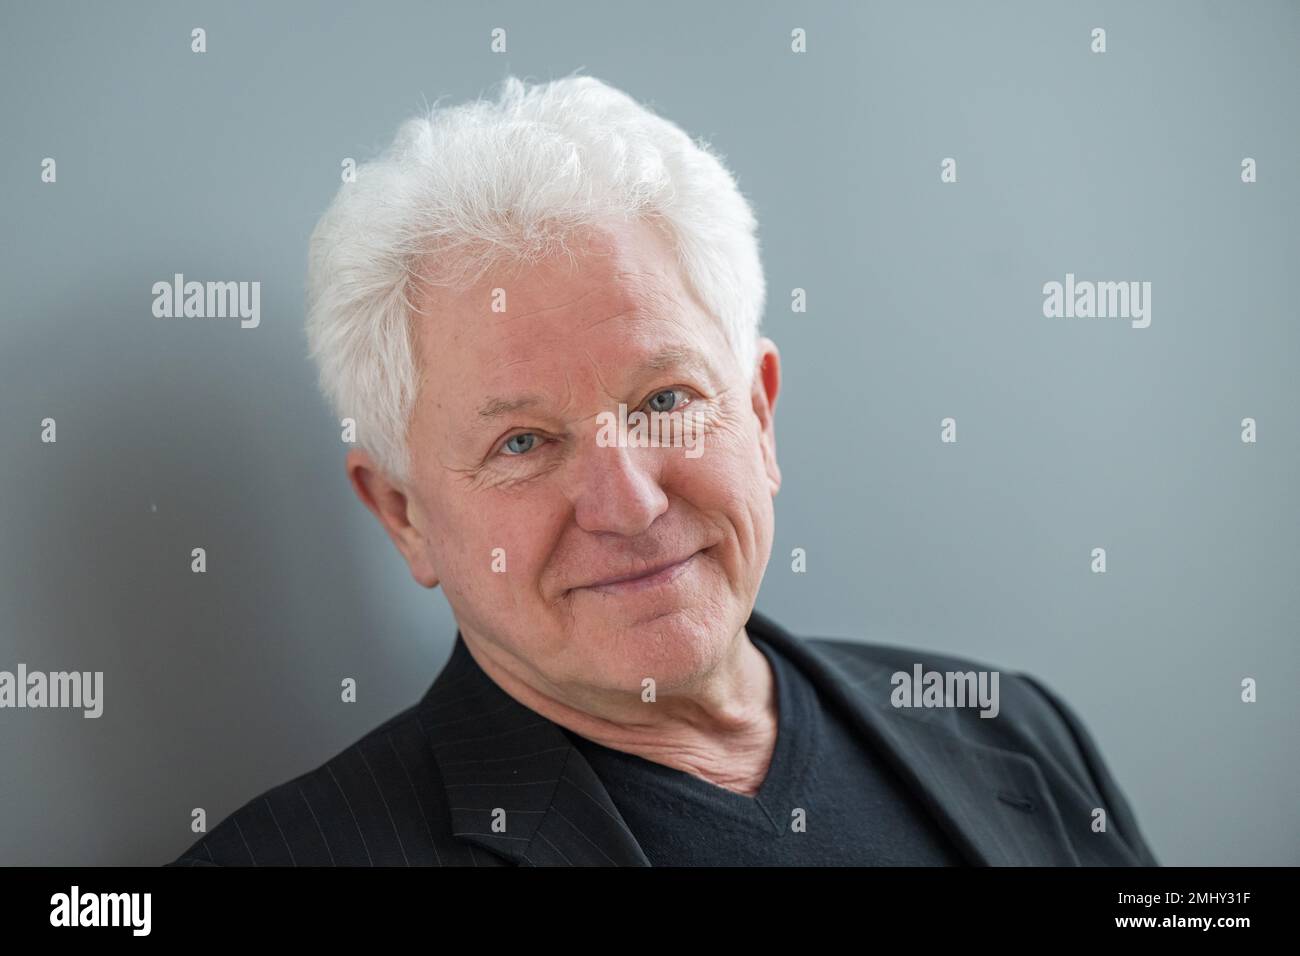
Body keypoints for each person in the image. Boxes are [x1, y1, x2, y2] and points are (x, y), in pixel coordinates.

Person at [168, 74, 1157, 867]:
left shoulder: (1011, 729)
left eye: (666, 400)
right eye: (522, 442)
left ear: (759, 413)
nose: (630, 502)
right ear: (403, 514)